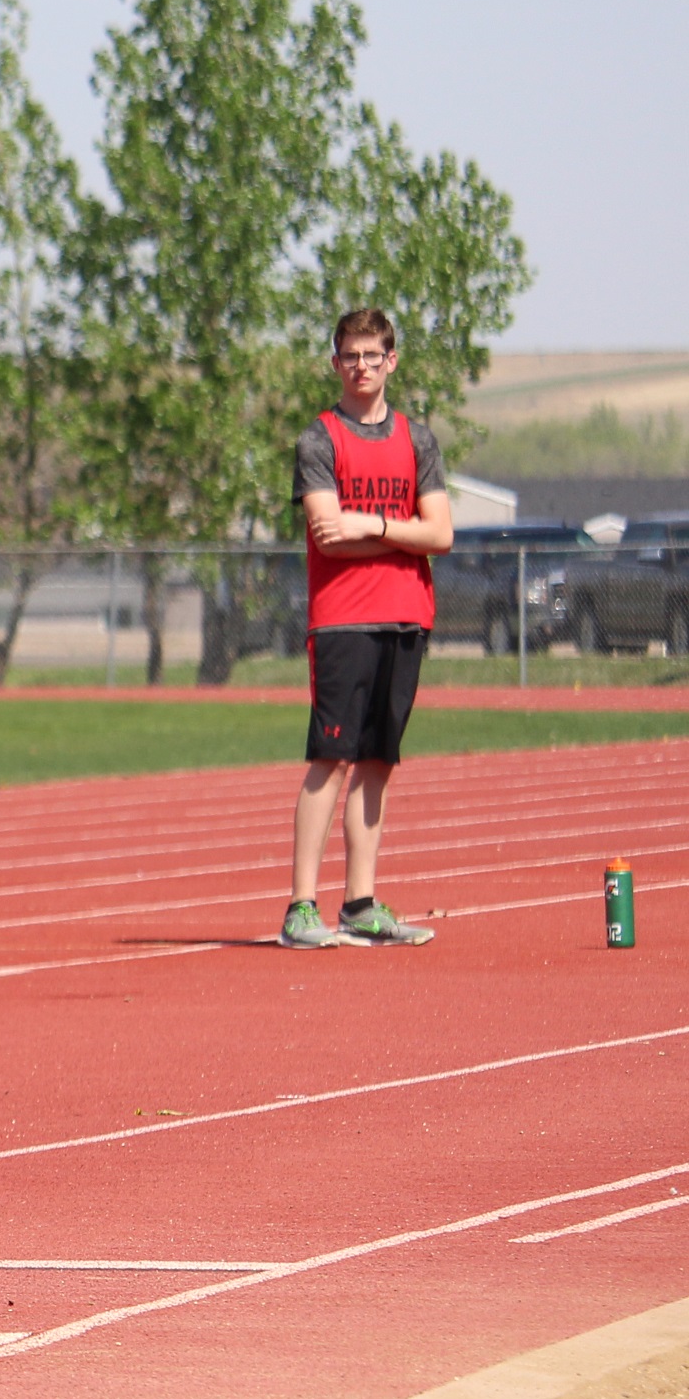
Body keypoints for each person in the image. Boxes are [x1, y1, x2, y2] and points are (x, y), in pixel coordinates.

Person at [282, 306, 453, 949]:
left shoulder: (418, 440)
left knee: (378, 762)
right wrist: (394, 536)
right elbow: (329, 537)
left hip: (408, 616)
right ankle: (302, 906)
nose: (361, 366)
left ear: (391, 361)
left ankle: (361, 902)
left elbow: (441, 534)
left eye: (372, 355)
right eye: (350, 356)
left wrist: (374, 526)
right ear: (336, 363)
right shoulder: (319, 439)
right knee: (331, 759)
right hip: (343, 621)